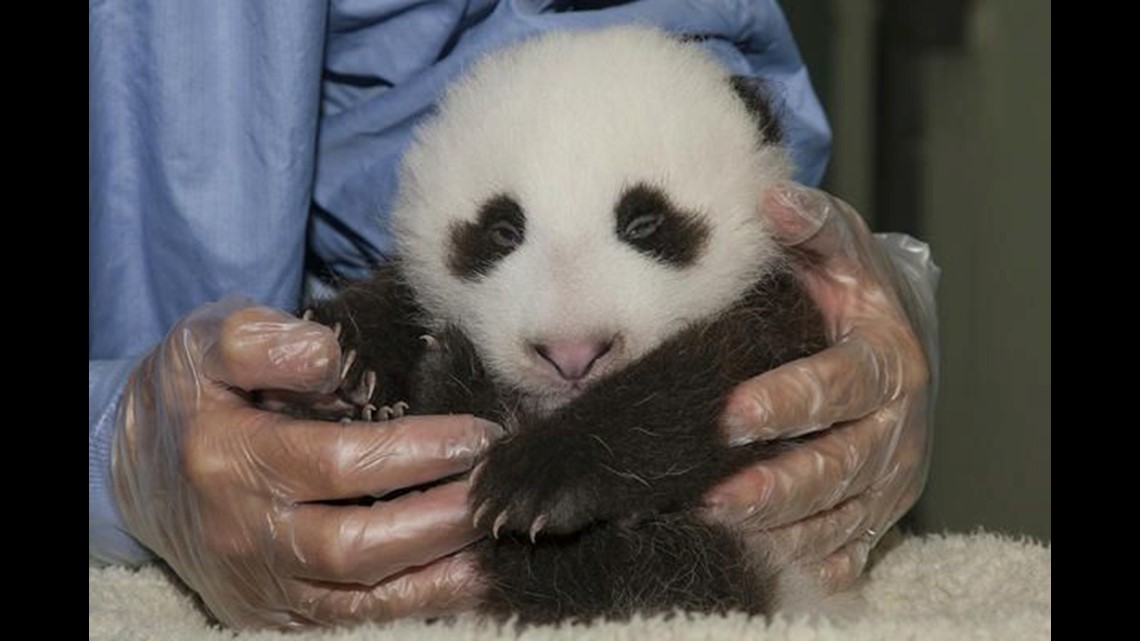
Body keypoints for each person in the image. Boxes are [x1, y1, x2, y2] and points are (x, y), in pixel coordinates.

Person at [89, 0, 938, 631]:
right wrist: (120, 445)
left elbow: (596, 63)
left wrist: (880, 299)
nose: (569, 331)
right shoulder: (434, 279)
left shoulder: (742, 276)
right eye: (502, 233)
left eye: (644, 227)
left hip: (687, 576)